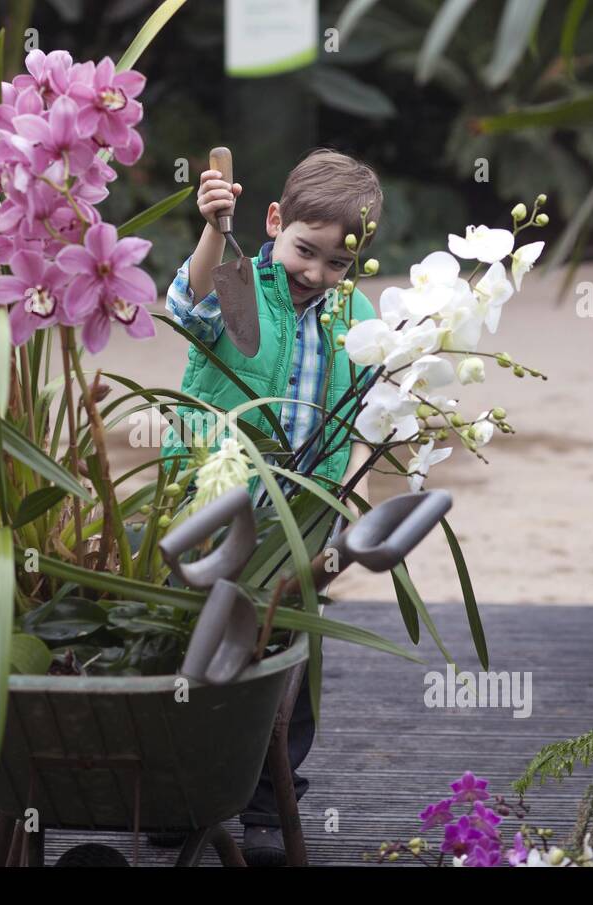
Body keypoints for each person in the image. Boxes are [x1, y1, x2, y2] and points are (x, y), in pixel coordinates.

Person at [160, 148, 385, 865]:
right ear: (274, 222)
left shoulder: (356, 313)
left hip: (297, 524)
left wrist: (348, 498)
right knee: (190, 656)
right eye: (304, 252)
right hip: (213, 511)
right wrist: (212, 229)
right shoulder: (237, 284)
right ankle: (180, 796)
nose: (316, 275)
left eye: (337, 265)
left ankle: (266, 803)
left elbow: (367, 412)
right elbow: (185, 306)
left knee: (288, 664)